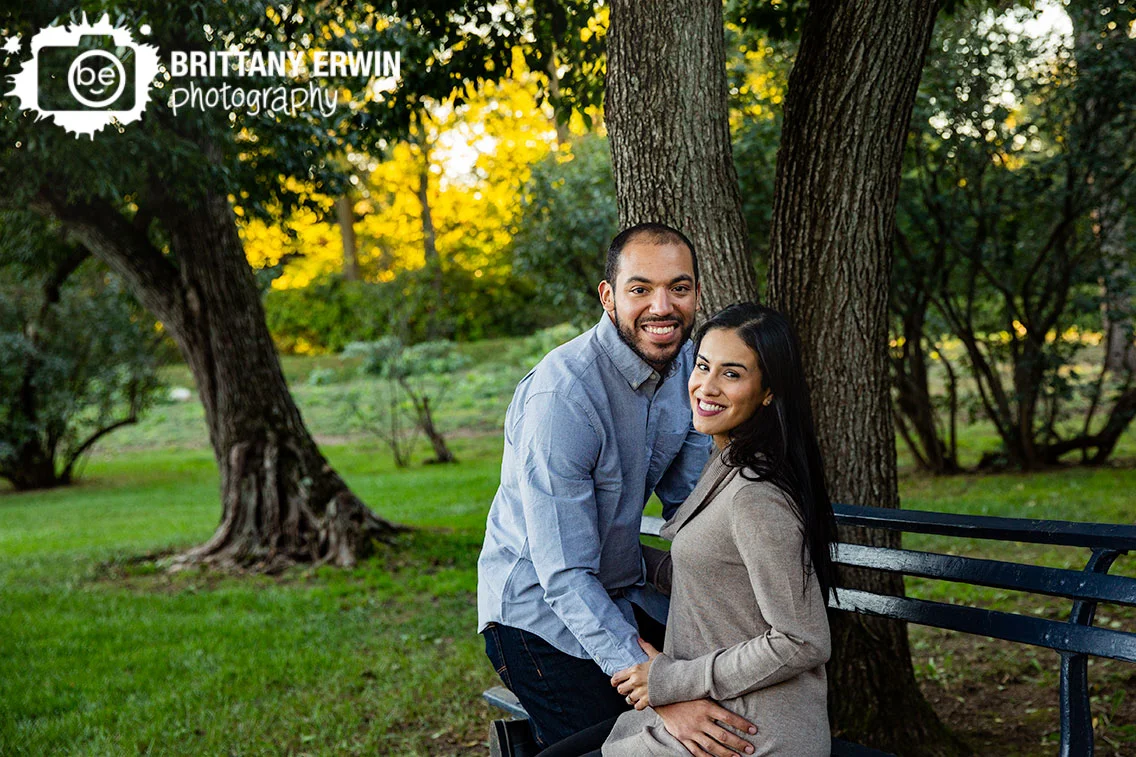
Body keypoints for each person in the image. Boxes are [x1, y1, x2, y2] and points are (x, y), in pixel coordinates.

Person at [478, 223, 757, 754]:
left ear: (697, 292)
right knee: (641, 743)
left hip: (623, 588)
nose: (663, 306)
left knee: (735, 704)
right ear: (608, 297)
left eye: (679, 287)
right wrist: (663, 692)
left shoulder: (689, 369)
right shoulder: (563, 398)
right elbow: (562, 575)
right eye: (640, 289)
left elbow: (692, 507)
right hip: (538, 616)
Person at [540, 302, 838, 757]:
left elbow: (803, 639)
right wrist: (592, 555)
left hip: (745, 731)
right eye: (702, 366)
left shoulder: (757, 495)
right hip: (717, 709)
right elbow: (720, 571)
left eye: (732, 374)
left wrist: (670, 679)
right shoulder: (728, 464)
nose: (706, 386)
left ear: (769, 392)